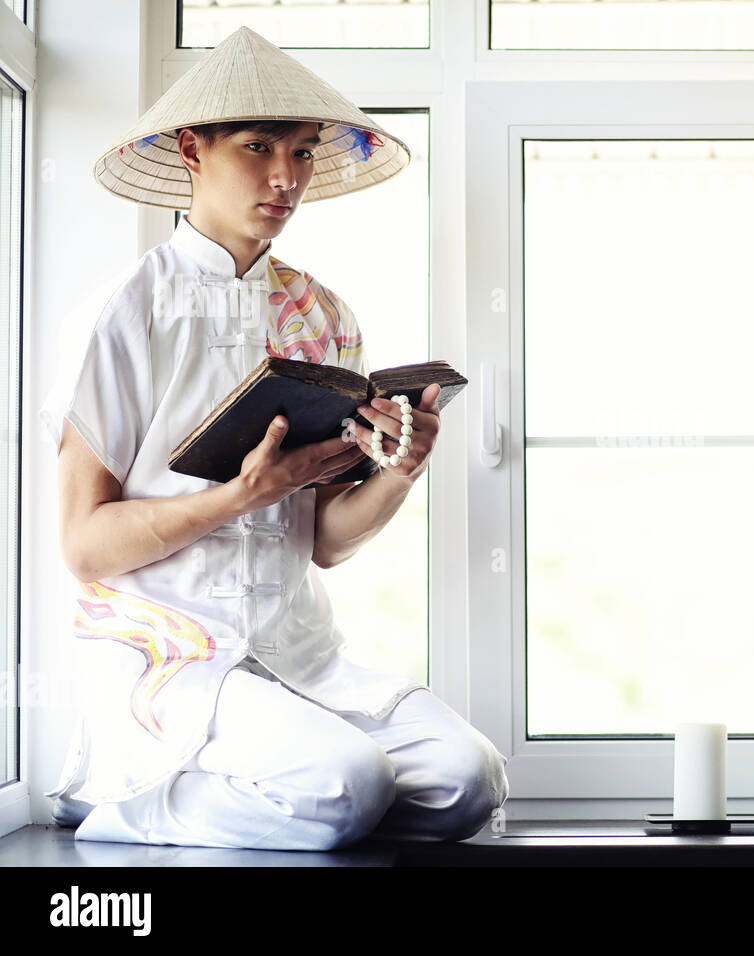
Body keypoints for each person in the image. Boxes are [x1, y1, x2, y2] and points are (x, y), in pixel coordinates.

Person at [39, 26, 508, 850]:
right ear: (192, 149)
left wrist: (402, 468)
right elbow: (85, 547)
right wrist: (242, 495)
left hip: (297, 649)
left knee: (469, 782)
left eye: (300, 151)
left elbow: (325, 542)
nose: (286, 177)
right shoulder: (124, 311)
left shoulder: (325, 317)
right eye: (257, 148)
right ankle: (118, 805)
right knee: (350, 782)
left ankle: (293, 796)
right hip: (168, 647)